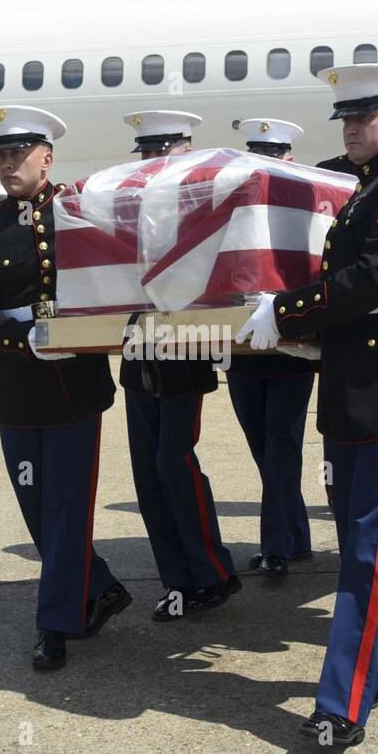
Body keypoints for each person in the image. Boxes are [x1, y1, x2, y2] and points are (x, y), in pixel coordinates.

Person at [236, 64, 378, 747]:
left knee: (367, 549)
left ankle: (343, 701)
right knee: (373, 543)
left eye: (364, 117)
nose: (351, 129)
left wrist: (289, 310)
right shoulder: (365, 189)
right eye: (345, 119)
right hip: (357, 386)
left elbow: (374, 278)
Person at [0, 105, 129, 671]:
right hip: (18, 379)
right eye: (1, 155)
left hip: (77, 381)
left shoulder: (82, 213)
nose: (8, 163)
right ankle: (97, 585)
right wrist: (18, 340)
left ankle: (54, 624)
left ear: (46, 157)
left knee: (67, 506)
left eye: (19, 153)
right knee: (36, 504)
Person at [120, 110, 241, 621]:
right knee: (148, 474)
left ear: (184, 152)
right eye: (146, 153)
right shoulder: (125, 213)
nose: (153, 162)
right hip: (138, 356)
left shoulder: (202, 211)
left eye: (162, 151)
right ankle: (177, 583)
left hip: (181, 356)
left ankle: (212, 571)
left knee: (174, 463)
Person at [225, 118, 316, 578]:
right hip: (243, 349)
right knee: (263, 447)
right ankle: (296, 535)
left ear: (289, 159)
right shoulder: (237, 204)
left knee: (281, 445)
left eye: (273, 155)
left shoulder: (303, 204)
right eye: (256, 154)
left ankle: (276, 547)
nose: (264, 165)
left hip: (289, 348)